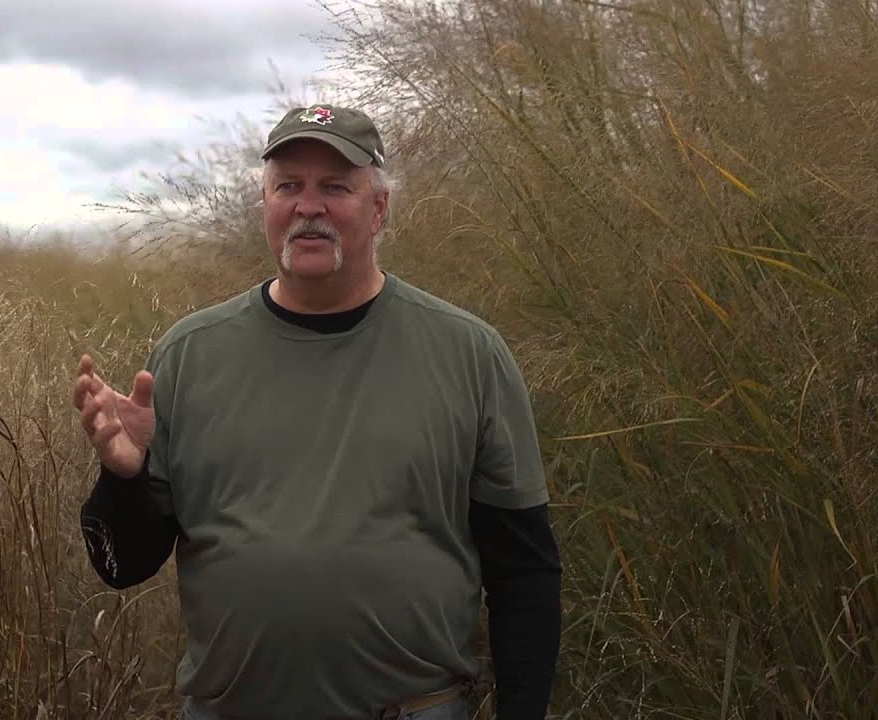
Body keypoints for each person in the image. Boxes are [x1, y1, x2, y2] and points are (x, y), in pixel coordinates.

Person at [74, 103, 562, 720]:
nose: (309, 206)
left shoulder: (468, 353)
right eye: (289, 187)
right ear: (266, 205)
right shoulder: (190, 354)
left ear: (378, 208)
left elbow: (525, 571)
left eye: (336, 187)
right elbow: (123, 566)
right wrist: (123, 477)